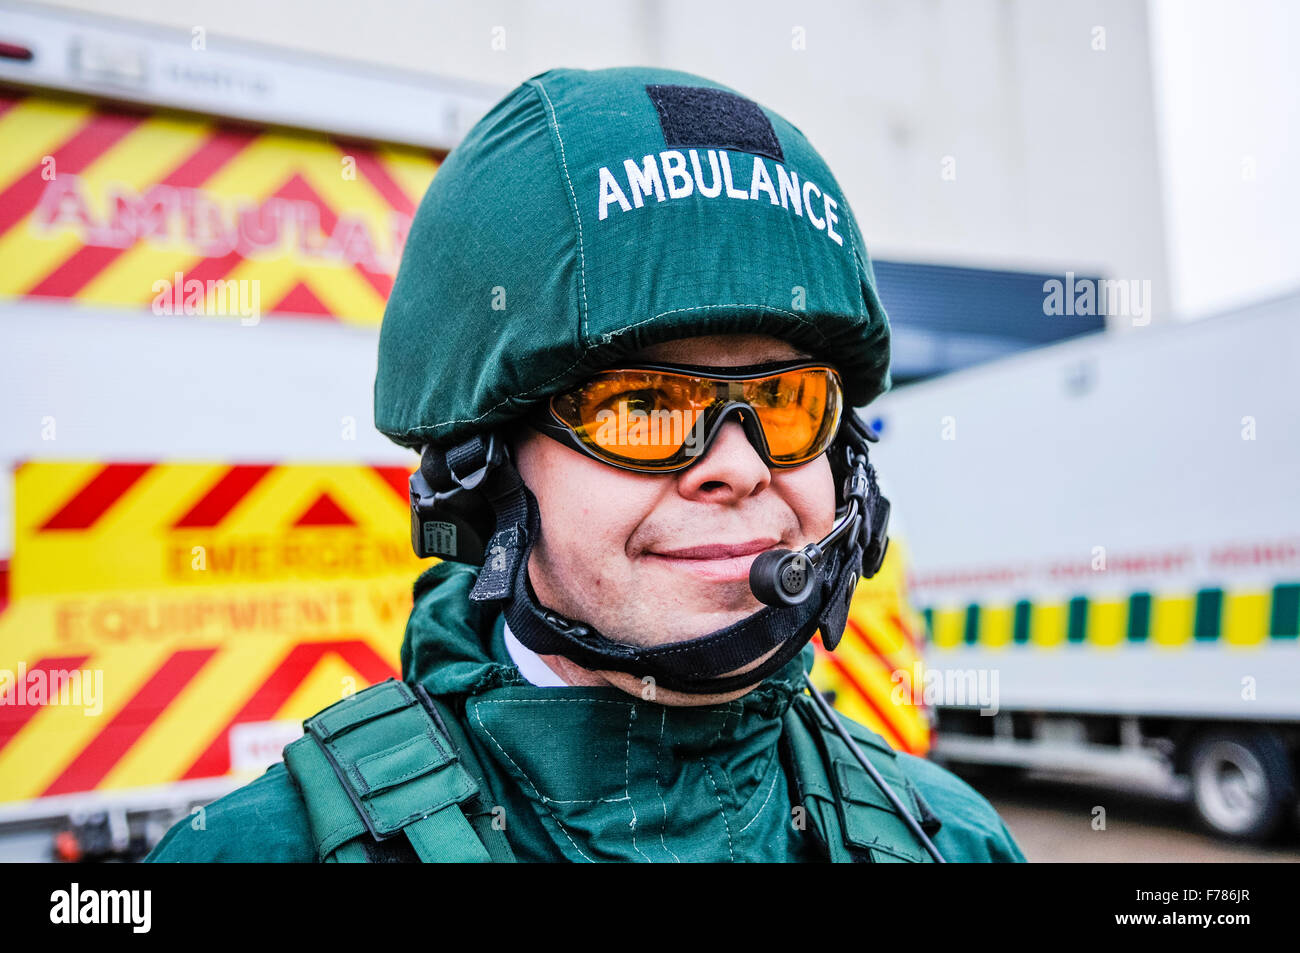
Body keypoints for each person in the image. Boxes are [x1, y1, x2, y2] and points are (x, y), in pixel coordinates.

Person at [147, 65, 1025, 863]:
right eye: (643, 407)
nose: (739, 468)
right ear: (483, 469)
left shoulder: (952, 837)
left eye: (786, 403)